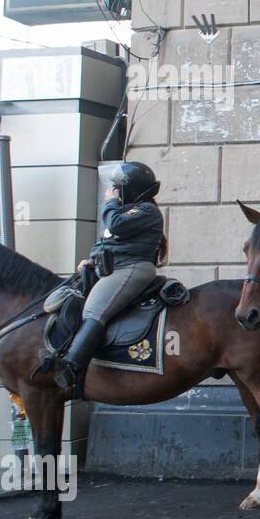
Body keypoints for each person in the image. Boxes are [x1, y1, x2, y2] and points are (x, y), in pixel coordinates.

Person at [54, 162, 166, 393]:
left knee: (94, 311)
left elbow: (116, 225)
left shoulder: (146, 210)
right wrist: (91, 260)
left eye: (117, 187)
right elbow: (108, 239)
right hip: (112, 268)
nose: (113, 190)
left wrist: (111, 201)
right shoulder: (124, 210)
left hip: (132, 268)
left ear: (128, 189)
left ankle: (72, 367)